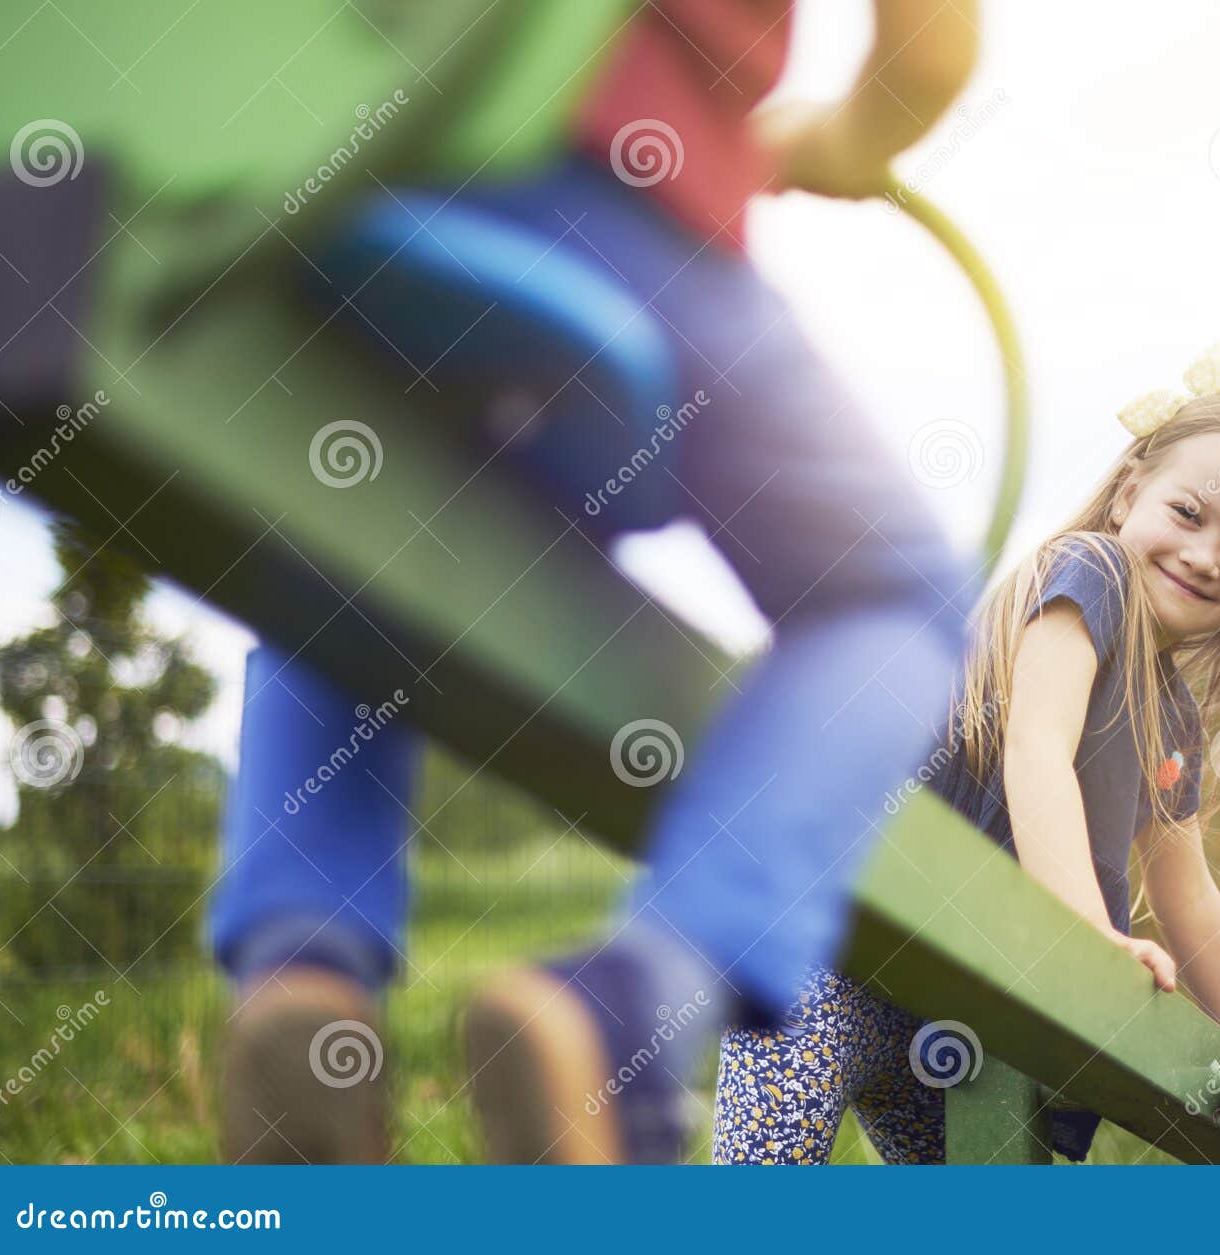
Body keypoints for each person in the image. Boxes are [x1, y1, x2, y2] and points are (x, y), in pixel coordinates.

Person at [211, 0, 985, 1165]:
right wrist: (826, 144)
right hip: (610, 189)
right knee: (895, 593)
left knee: (361, 516)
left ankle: (301, 976)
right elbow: (930, 51)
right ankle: (630, 997)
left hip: (316, 173)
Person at [713, 340, 1220, 1163]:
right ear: (1128, 497)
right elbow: (1036, 747)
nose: (1205, 554)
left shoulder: (1176, 719)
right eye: (1188, 513)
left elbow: (1187, 889)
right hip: (841, 952)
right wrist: (1088, 937)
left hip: (965, 1021)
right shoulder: (1090, 572)